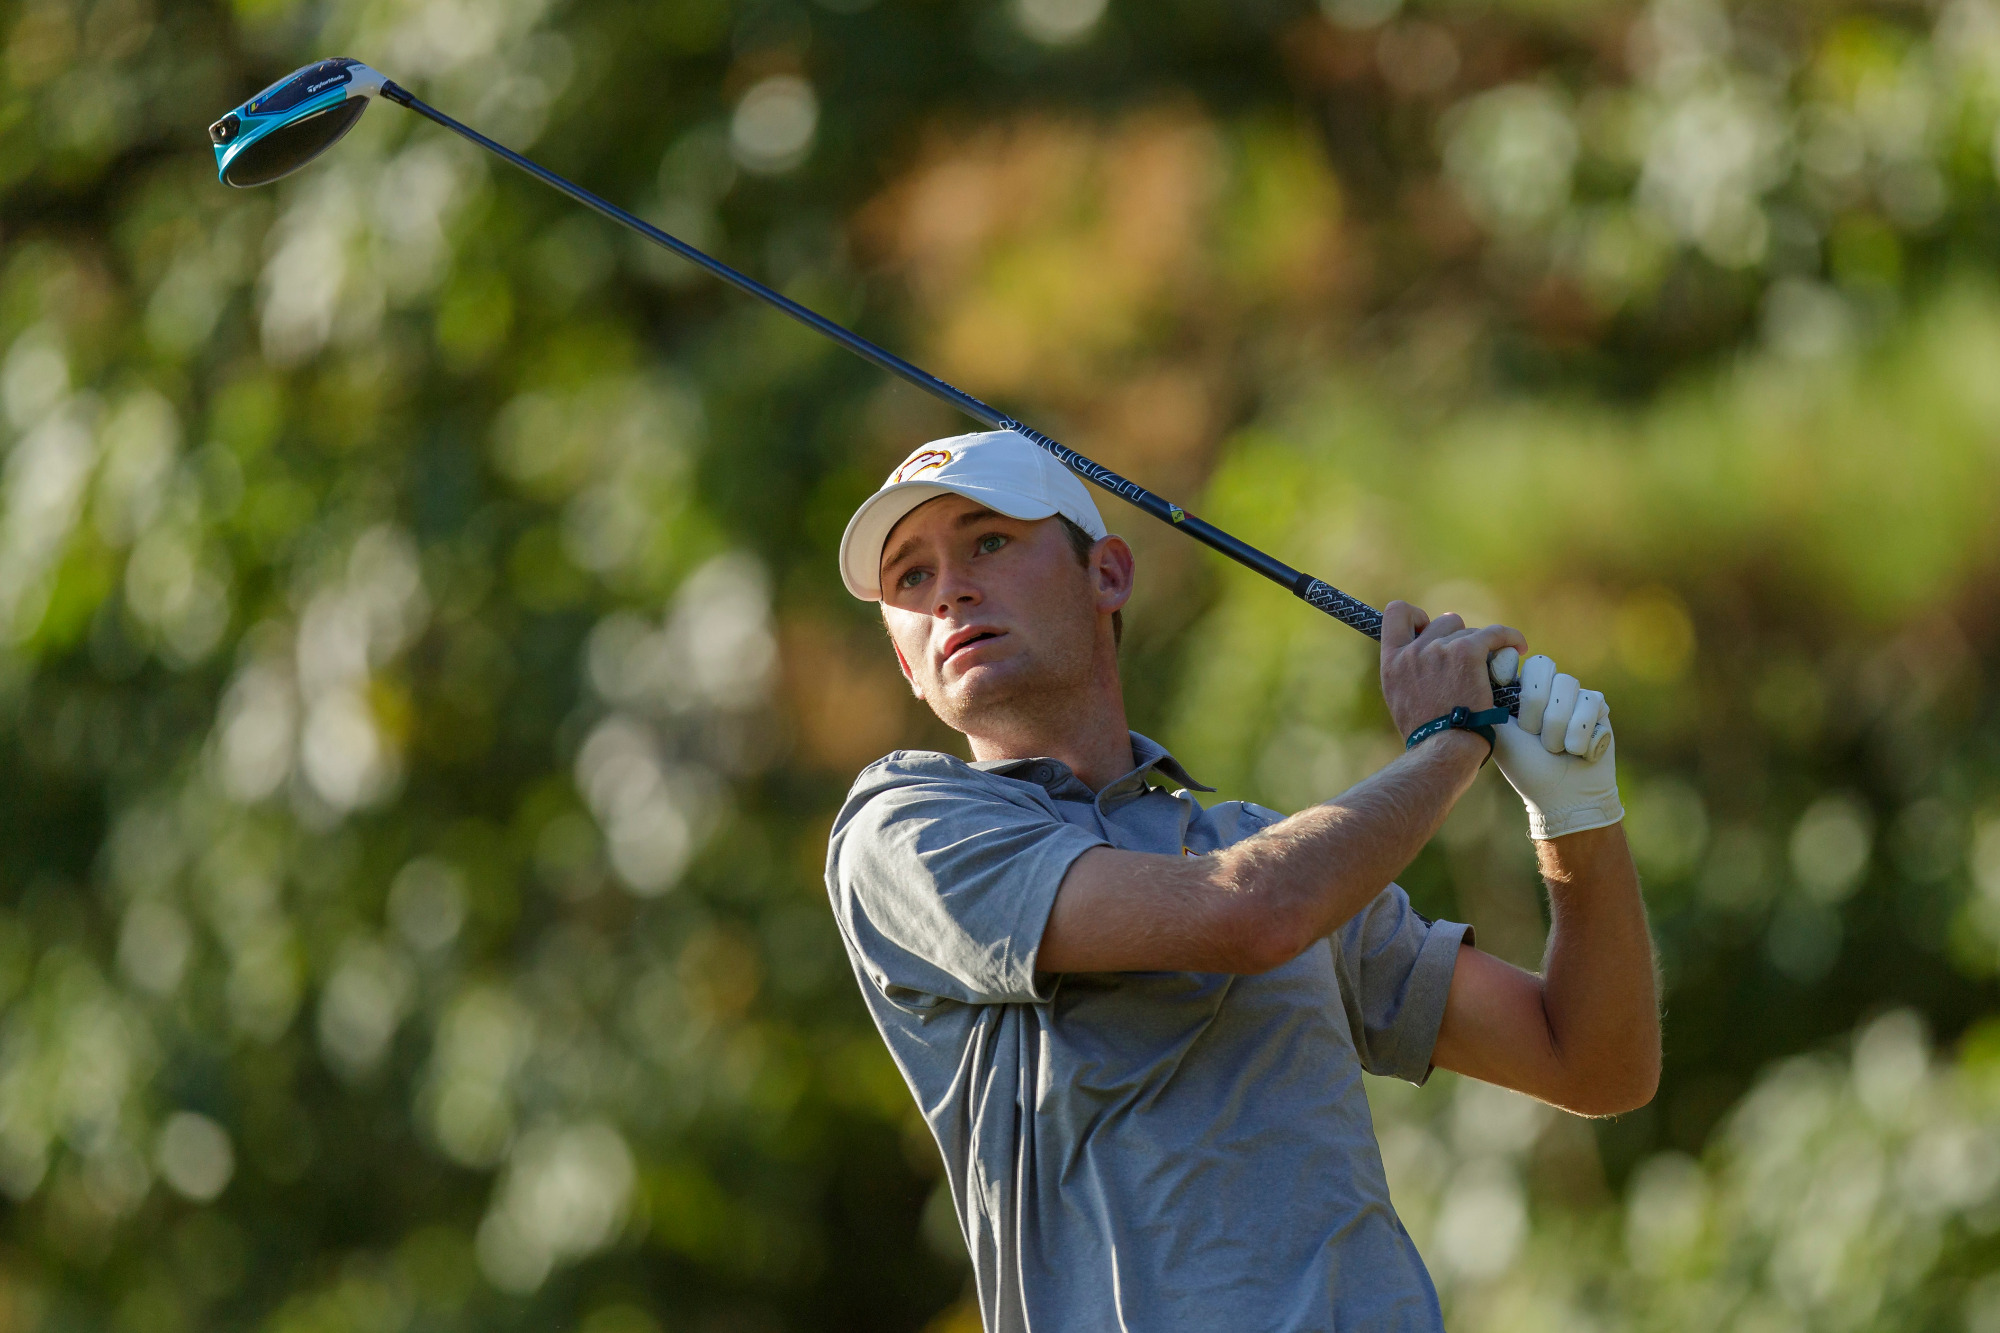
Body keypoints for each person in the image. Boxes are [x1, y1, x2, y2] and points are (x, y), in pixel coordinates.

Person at [823, 429, 1658, 1332]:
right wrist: (1453, 740)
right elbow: (1250, 914)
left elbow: (1594, 1062)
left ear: (1107, 574)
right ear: (907, 661)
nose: (950, 589)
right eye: (911, 577)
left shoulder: (1268, 847)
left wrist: (1578, 818)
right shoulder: (903, 827)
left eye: (989, 541)